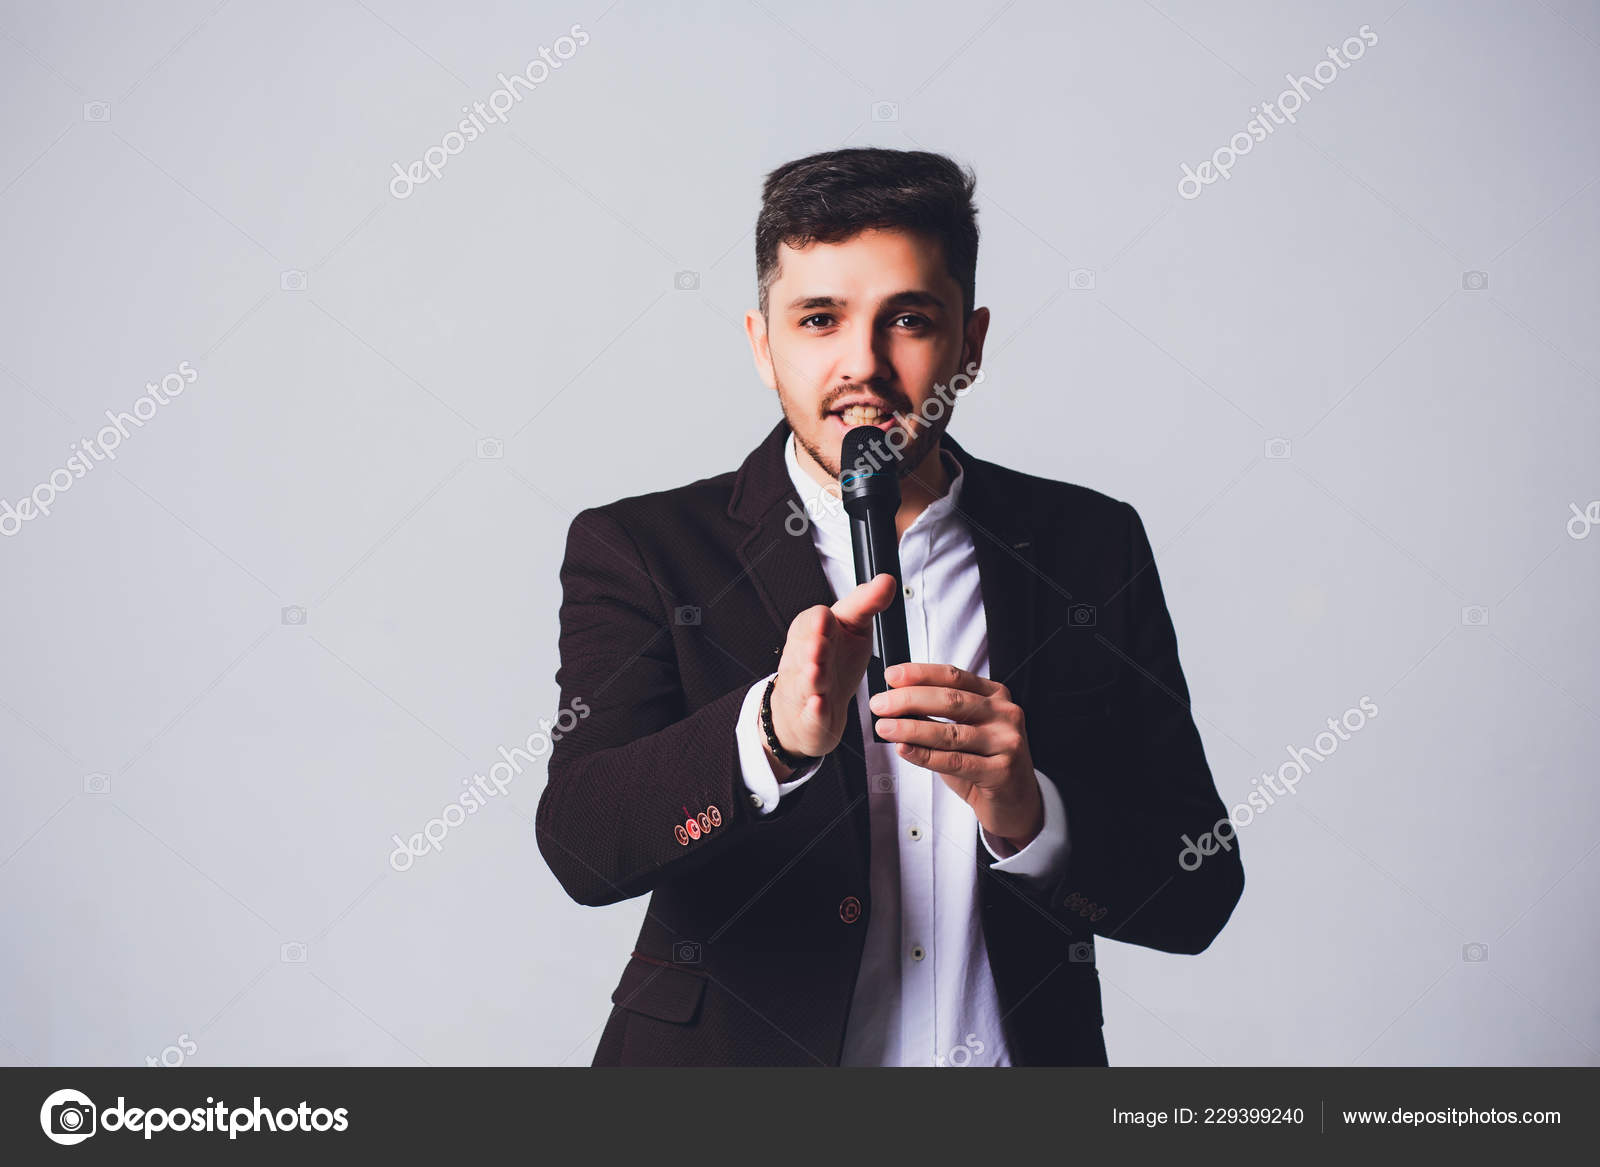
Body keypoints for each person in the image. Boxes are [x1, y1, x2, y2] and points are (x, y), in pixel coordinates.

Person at [536, 147, 1243, 1066]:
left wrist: (1032, 816)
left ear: (971, 344)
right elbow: (583, 846)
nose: (862, 365)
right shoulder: (642, 546)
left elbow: (1199, 888)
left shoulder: (1091, 546)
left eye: (908, 319)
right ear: (762, 344)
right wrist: (766, 735)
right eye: (818, 319)